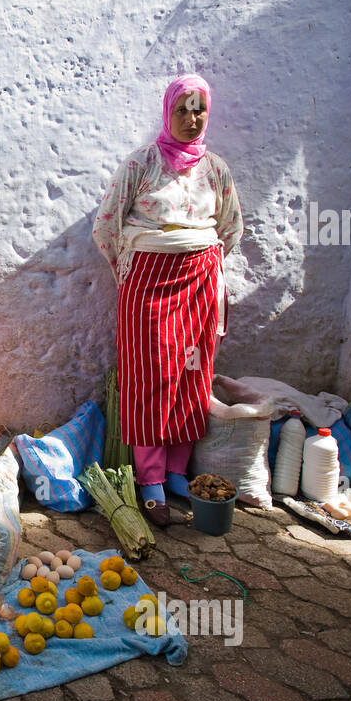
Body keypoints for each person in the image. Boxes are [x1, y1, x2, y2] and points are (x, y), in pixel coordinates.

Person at [93, 74, 243, 526]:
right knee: (152, 375)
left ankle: (179, 472)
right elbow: (106, 227)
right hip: (147, 285)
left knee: (193, 376)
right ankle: (151, 480)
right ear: (167, 112)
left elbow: (231, 228)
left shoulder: (215, 169)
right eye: (182, 109)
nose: (191, 119)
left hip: (199, 281)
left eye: (199, 110)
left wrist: (201, 261)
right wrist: (132, 270)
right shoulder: (141, 164)